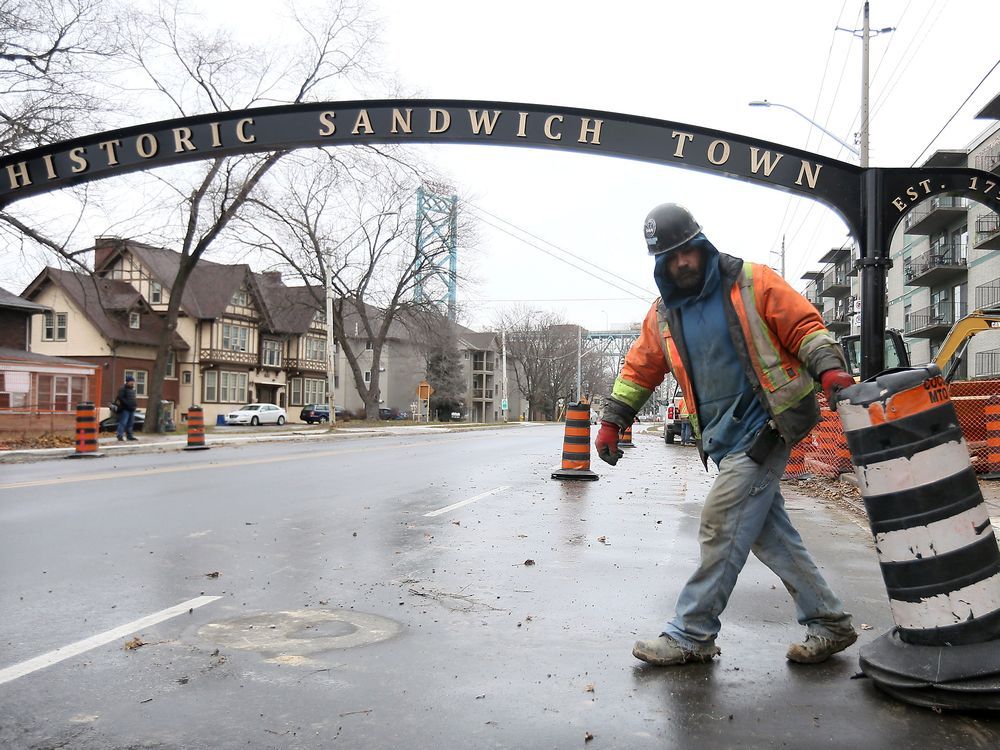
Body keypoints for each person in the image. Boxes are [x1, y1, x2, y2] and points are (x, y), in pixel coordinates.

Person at [595, 203, 857, 667]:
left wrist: (831, 369)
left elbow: (804, 328)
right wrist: (614, 418)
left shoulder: (752, 282)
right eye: (669, 258)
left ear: (702, 244)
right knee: (769, 534)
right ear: (659, 263)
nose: (682, 263)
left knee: (720, 521)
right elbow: (640, 369)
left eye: (686, 251)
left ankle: (692, 632)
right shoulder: (663, 316)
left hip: (769, 424)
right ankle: (829, 622)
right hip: (722, 438)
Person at [115, 375, 139, 442]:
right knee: (123, 423)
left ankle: (129, 436)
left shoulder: (132, 389)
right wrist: (128, 404)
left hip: (131, 408)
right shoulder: (122, 389)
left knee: (130, 423)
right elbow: (121, 398)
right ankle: (119, 435)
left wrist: (135, 405)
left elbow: (133, 398)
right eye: (131, 381)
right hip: (124, 409)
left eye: (133, 381)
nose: (132, 382)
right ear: (128, 381)